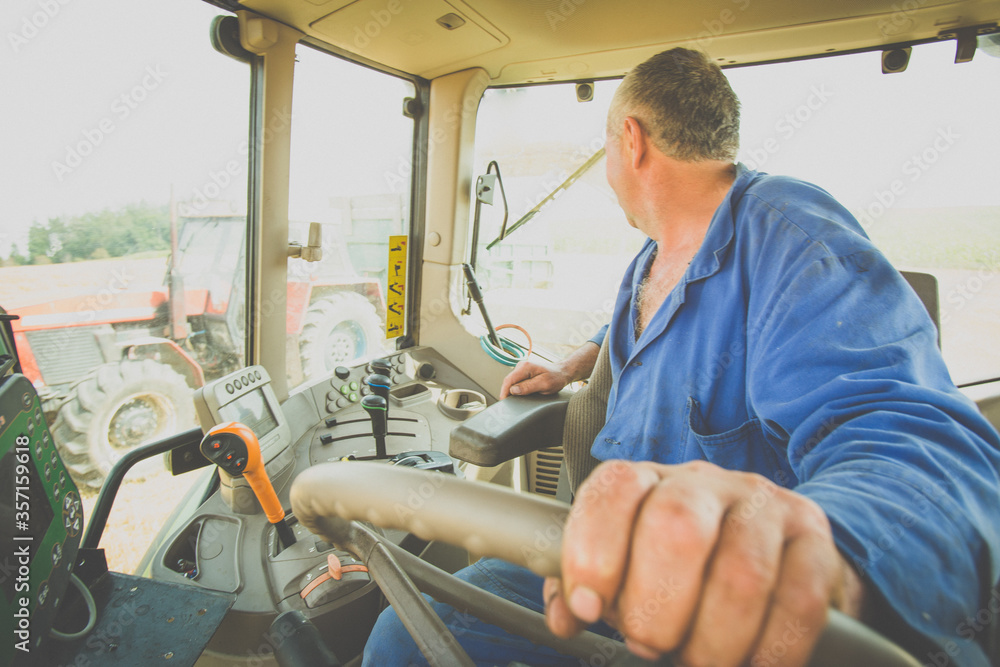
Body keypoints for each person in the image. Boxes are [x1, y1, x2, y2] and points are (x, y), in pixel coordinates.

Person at [364, 47, 1000, 667]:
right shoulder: (654, 256)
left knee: (402, 644)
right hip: (602, 554)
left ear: (630, 141)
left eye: (607, 150)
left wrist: (824, 552)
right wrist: (573, 364)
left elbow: (910, 436)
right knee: (406, 628)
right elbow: (643, 324)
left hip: (717, 589)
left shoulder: (791, 234)